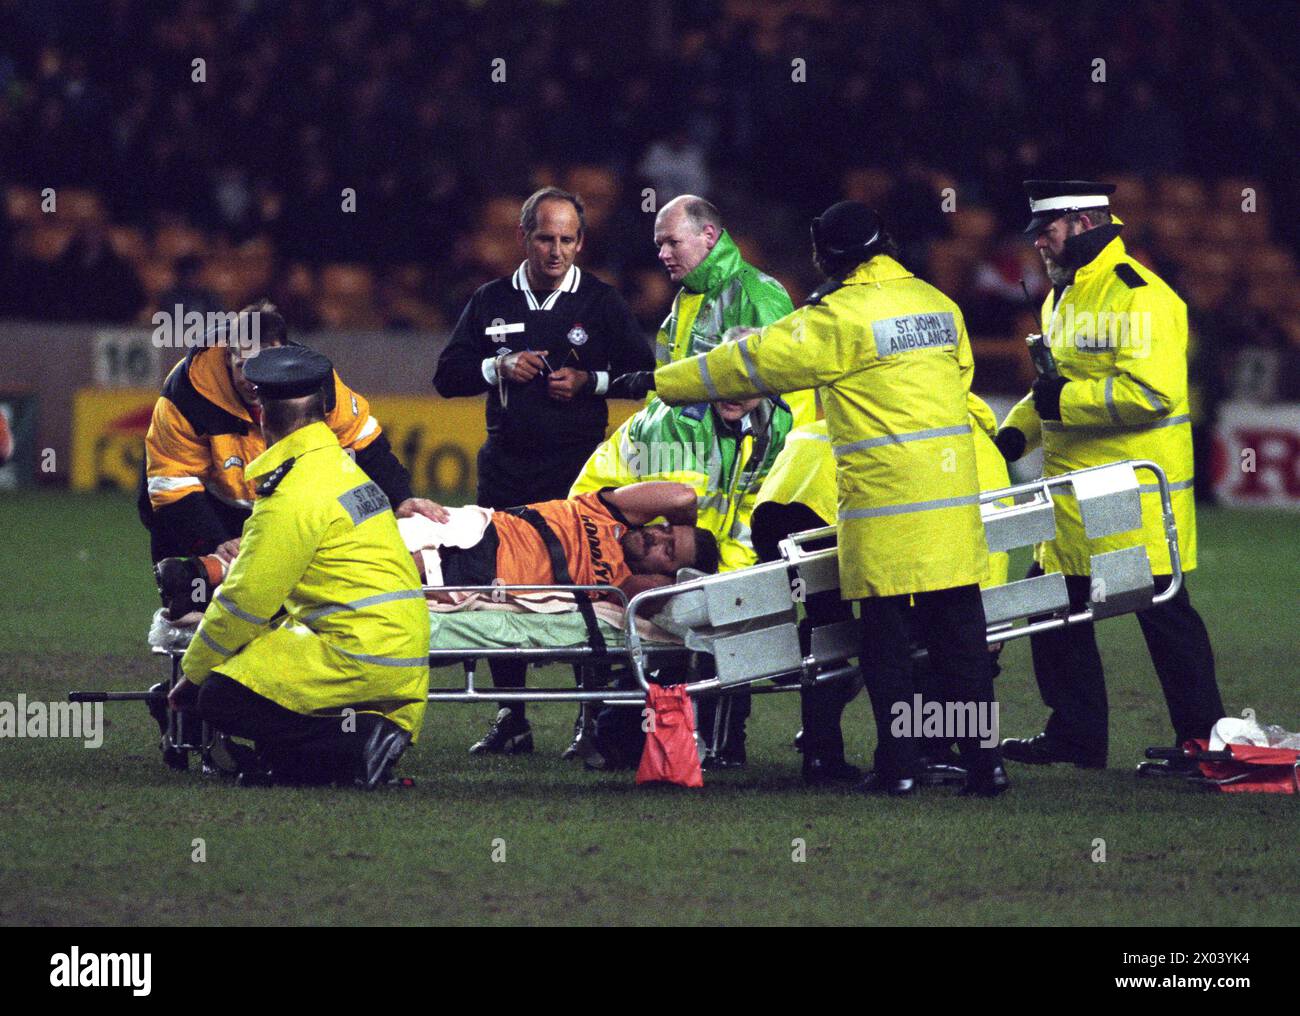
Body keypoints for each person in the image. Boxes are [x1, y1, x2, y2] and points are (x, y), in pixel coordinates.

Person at [653, 201, 1009, 797]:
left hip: (886, 511)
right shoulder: (939, 304)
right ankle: (985, 764)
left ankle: (898, 768)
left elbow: (752, 363)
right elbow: (962, 385)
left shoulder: (836, 319)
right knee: (962, 641)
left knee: (887, 647)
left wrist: (663, 382)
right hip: (952, 506)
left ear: (829, 256)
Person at [994, 180, 1225, 773]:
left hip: (1128, 501)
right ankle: (1076, 737)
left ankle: (1202, 742)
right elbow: (1049, 387)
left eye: (1047, 231)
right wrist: (1014, 435)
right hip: (1072, 499)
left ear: (1083, 221)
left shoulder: (1140, 296)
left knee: (1164, 615)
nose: (1039, 244)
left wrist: (1060, 404)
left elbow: (1152, 395)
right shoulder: (1061, 297)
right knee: (1051, 609)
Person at [433, 187, 652, 753]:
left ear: (580, 242)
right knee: (498, 588)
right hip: (505, 469)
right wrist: (496, 365)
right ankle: (512, 716)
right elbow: (447, 376)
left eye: (567, 240)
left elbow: (647, 376)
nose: (556, 251)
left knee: (587, 589)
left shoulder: (601, 303)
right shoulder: (490, 299)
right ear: (523, 237)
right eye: (545, 238)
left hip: (578, 473)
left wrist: (590, 382)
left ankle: (592, 715)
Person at [165, 346, 432, 789]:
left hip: (357, 657)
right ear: (326, 408)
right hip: (400, 655)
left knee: (221, 696)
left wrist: (192, 679)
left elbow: (245, 602)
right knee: (256, 670)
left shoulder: (292, 494)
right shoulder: (347, 473)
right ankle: (308, 759)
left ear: (262, 416)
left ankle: (358, 745)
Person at [752, 393, 1012, 785]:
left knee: (827, 630)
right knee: (930, 630)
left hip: (782, 525)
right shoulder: (965, 441)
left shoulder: (875, 412)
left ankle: (823, 751)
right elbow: (987, 533)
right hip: (845, 523)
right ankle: (929, 747)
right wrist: (987, 618)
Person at [396, 481, 721, 756]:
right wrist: (686, 530)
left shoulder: (622, 585)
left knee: (382, 579)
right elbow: (683, 497)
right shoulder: (608, 510)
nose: (656, 538)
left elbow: (655, 599)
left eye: (668, 550)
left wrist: (683, 568)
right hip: (474, 527)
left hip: (474, 572)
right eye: (664, 529)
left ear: (666, 575)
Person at [569, 382, 794, 766]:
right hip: (607, 537)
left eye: (749, 383)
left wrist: (728, 577)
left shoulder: (774, 421)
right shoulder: (681, 422)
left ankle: (658, 737)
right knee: (700, 616)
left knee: (724, 604)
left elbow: (742, 515)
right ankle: (626, 735)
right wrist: (715, 583)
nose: (736, 393)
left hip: (661, 545)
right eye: (729, 378)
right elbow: (672, 526)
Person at [139, 300, 442, 563]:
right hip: (198, 504)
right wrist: (214, 542)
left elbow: (363, 440)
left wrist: (401, 498)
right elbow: (172, 483)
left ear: (282, 354)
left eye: (262, 365)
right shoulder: (188, 393)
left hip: (276, 505)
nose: (252, 379)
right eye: (243, 365)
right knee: (190, 599)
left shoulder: (315, 381)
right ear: (227, 356)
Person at [649, 195, 815, 427]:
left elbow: (788, 398)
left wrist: (772, 462)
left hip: (745, 461)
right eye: (660, 245)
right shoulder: (682, 305)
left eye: (673, 243)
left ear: (708, 236)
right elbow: (661, 395)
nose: (663, 254)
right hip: (685, 457)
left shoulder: (756, 297)